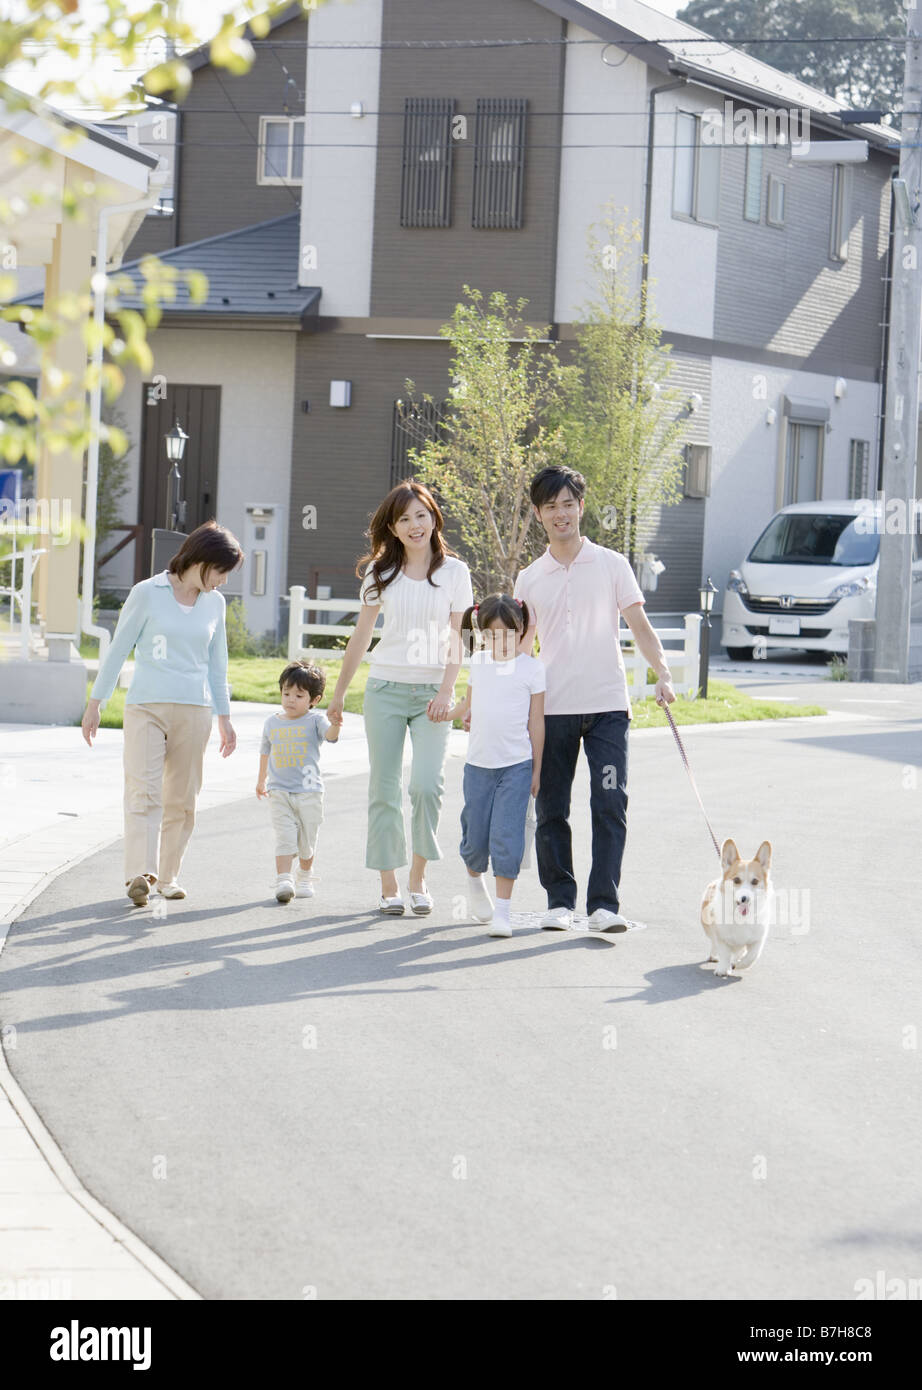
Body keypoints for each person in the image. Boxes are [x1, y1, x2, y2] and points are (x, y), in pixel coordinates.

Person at [513, 466, 676, 932]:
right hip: (553, 709)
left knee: (609, 802)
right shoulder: (529, 579)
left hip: (607, 707)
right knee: (551, 807)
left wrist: (662, 673)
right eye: (551, 506)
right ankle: (559, 903)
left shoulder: (612, 564)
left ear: (581, 507)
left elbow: (640, 628)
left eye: (569, 504)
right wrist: (506, 702)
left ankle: (604, 905)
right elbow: (523, 649)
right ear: (539, 514)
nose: (561, 513)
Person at [327, 479, 473, 916]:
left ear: (434, 518)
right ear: (392, 527)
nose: (415, 524)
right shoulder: (380, 572)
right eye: (404, 518)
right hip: (385, 689)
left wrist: (447, 691)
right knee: (384, 788)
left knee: (427, 786)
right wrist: (338, 694)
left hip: (433, 693)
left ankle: (418, 878)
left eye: (422, 515)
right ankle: (389, 883)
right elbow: (362, 635)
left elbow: (457, 637)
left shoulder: (455, 573)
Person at [81, 520, 243, 908]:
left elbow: (216, 665)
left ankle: (168, 877)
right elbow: (118, 649)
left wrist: (225, 717)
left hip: (195, 709)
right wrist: (95, 702)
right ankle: (140, 874)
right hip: (146, 707)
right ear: (201, 559)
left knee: (182, 798)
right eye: (221, 571)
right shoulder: (147, 592)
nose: (222, 581)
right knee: (144, 790)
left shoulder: (214, 603)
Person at [441, 593, 545, 938]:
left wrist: (537, 769)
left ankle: (503, 912)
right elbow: (467, 705)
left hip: (516, 765)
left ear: (521, 631)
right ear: (482, 634)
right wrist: (443, 712)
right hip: (478, 766)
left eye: (508, 633)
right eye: (492, 634)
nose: (500, 641)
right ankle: (474, 880)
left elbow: (536, 723)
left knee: (507, 836)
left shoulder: (532, 668)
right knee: (475, 839)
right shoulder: (480, 664)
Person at [256, 660, 340, 903]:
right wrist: (261, 781)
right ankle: (283, 879)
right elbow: (265, 752)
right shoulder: (272, 722)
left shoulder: (315, 721)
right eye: (286, 693)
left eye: (299, 695)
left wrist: (335, 724)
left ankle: (304, 875)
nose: (290, 699)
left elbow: (331, 737)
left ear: (314, 699)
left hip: (309, 792)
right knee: (284, 836)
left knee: (307, 839)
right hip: (279, 790)